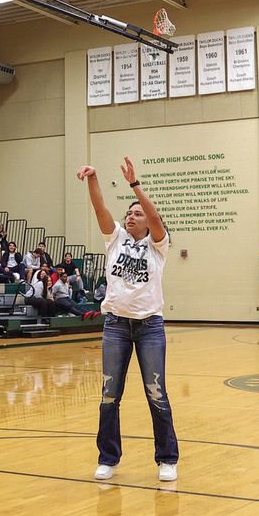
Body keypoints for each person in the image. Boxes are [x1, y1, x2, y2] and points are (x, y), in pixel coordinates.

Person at [79, 156, 178, 483]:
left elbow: (155, 216)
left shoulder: (158, 245)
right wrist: (93, 178)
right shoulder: (116, 238)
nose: (131, 217)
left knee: (156, 393)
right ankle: (108, 457)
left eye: (138, 213)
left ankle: (167, 458)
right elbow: (100, 208)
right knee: (109, 394)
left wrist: (135, 185)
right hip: (116, 326)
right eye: (129, 213)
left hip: (150, 327)